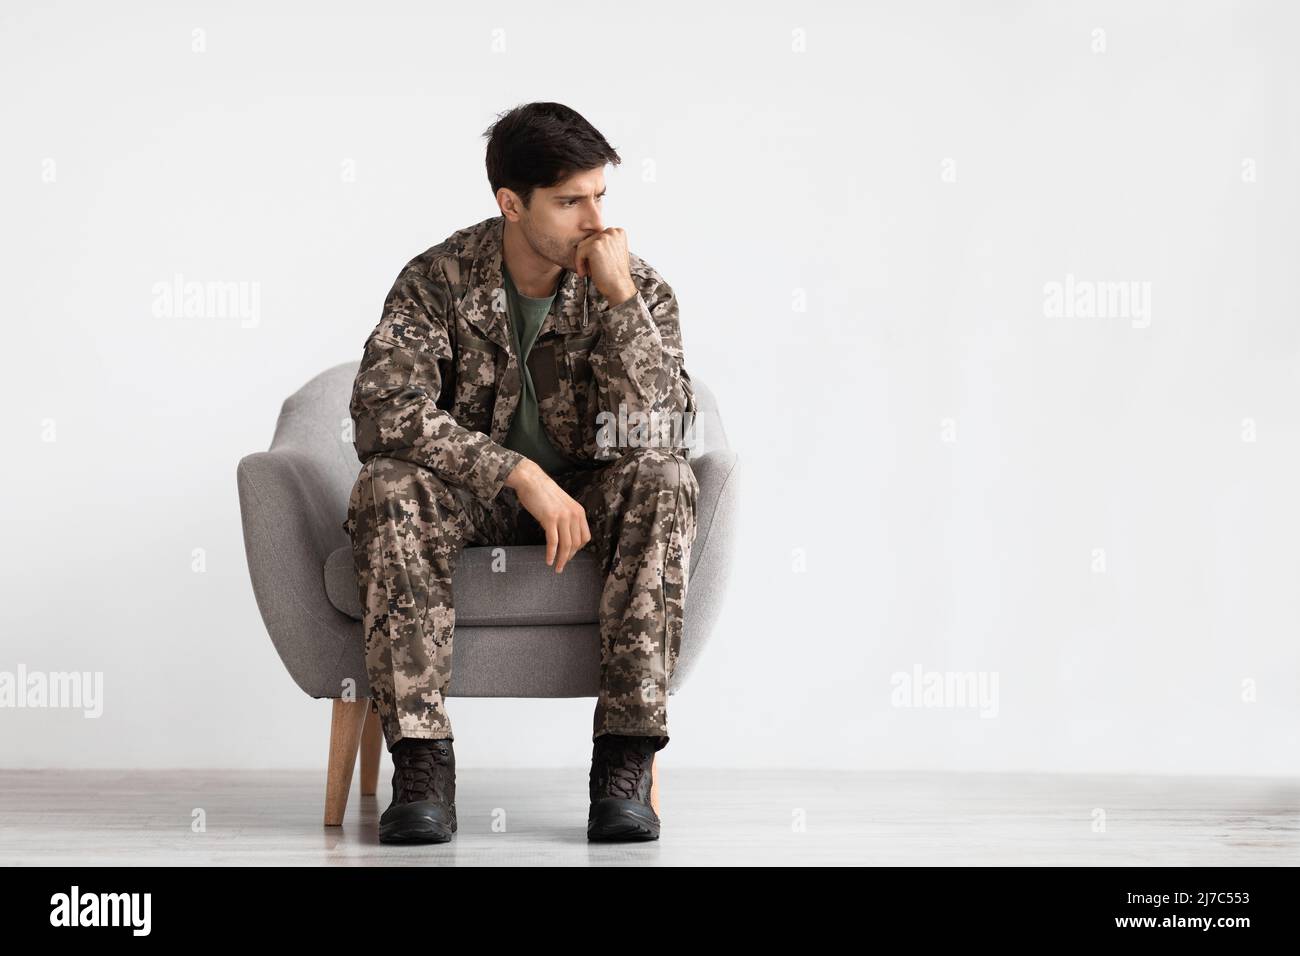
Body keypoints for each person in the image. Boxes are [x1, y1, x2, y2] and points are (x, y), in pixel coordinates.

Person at [341, 102, 698, 844]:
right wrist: (519, 475)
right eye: (571, 201)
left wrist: (622, 301)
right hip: (478, 499)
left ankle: (624, 768)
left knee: (663, 478)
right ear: (511, 203)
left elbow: (661, 430)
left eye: (600, 195)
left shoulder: (635, 286)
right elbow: (381, 410)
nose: (595, 220)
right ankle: (422, 768)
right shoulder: (437, 279)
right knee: (389, 486)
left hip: (595, 497)